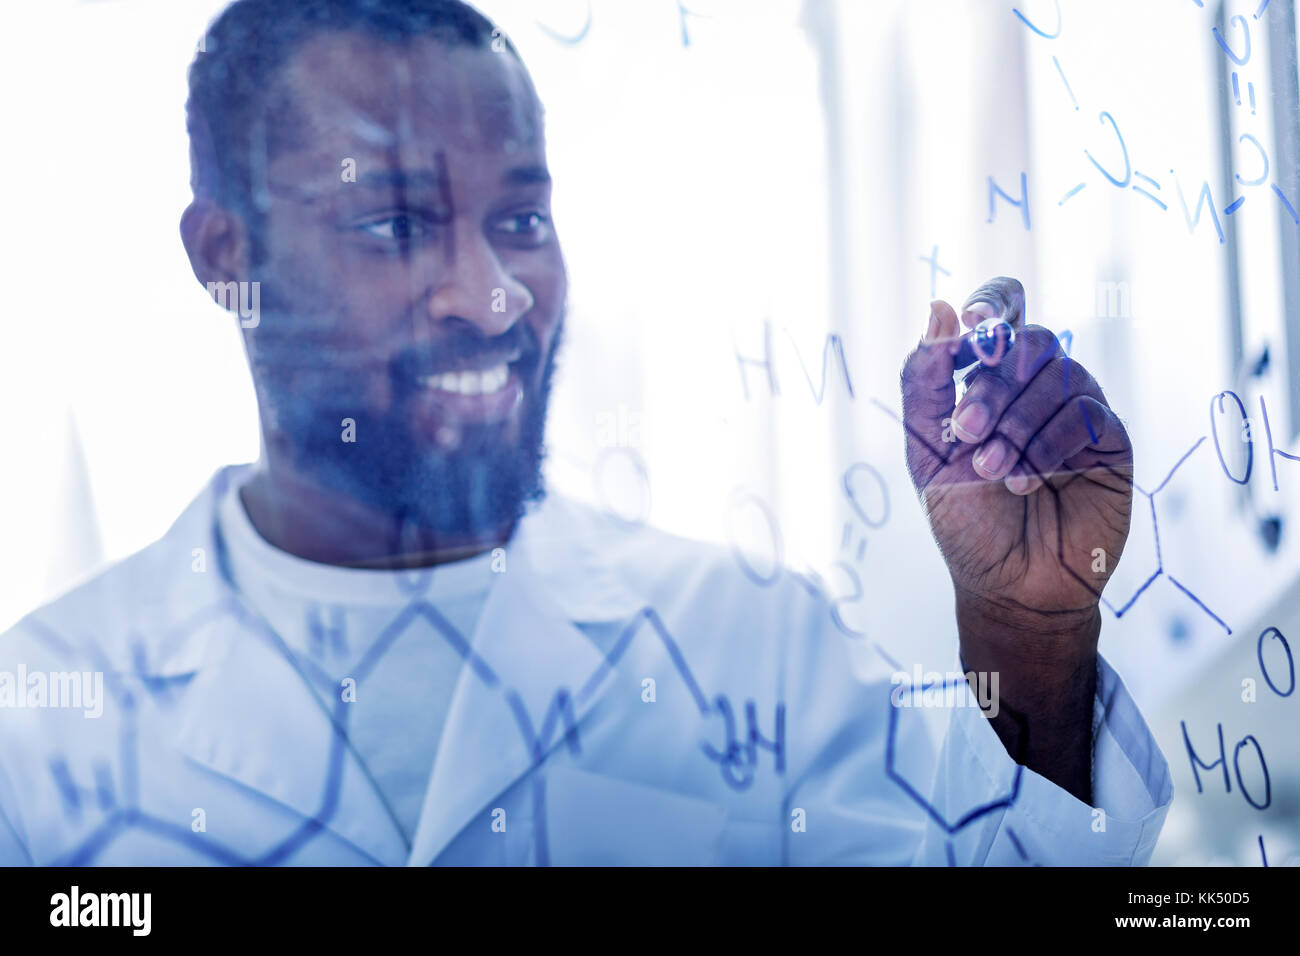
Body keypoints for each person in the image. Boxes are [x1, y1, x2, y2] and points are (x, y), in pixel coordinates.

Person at [0, 0, 1170, 866]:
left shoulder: (751, 644)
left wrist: (1028, 624)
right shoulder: (36, 729)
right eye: (396, 223)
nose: (490, 291)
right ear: (227, 258)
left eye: (520, 216)